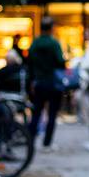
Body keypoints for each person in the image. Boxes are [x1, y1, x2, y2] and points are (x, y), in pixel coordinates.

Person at [27, 16, 66, 148]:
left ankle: (30, 141)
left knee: (36, 113)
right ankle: (47, 142)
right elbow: (61, 62)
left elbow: (29, 64)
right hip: (53, 83)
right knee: (52, 115)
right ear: (51, 28)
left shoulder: (35, 43)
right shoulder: (54, 43)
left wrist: (31, 80)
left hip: (39, 83)